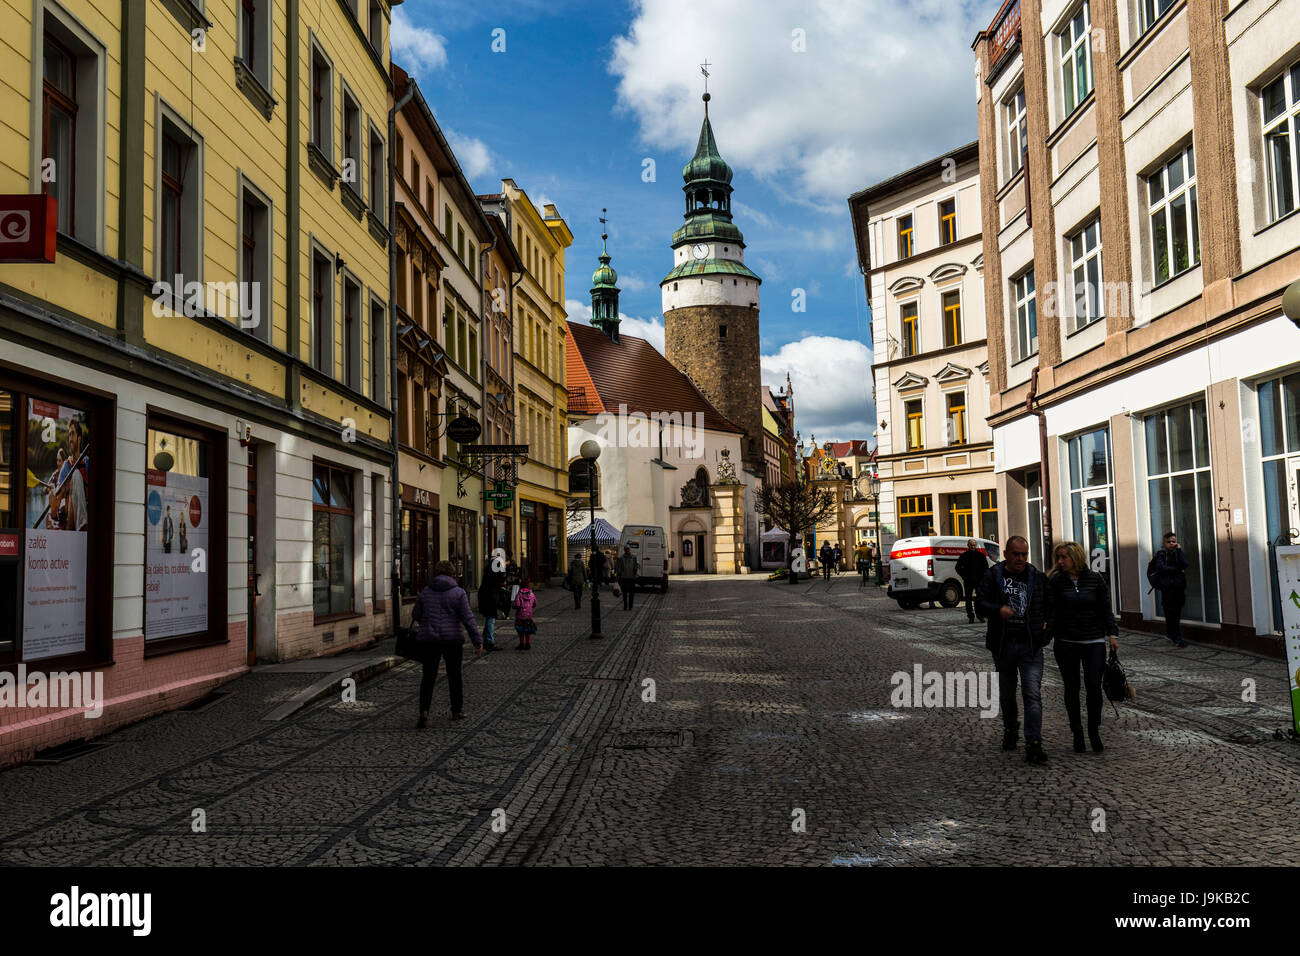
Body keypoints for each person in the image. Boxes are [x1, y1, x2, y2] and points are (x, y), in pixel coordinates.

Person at [977, 534, 1051, 764]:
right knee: (1008, 694)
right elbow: (979, 604)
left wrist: (1045, 633)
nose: (1020, 559)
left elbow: (1051, 606)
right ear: (1006, 554)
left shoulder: (1036, 578)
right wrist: (998, 609)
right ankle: (1011, 729)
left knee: (1032, 694)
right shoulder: (993, 575)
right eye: (1016, 554)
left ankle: (1033, 743)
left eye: (1024, 554)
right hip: (1003, 645)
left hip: (1030, 645)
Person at [1048, 541, 1119, 753]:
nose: (1060, 562)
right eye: (1058, 558)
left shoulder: (1095, 579)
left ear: (1075, 558)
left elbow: (1105, 608)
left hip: (1094, 641)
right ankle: (1077, 732)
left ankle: (1093, 729)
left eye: (1064, 557)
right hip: (1066, 642)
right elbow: (1049, 611)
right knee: (1071, 688)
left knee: (1093, 687)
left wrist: (1112, 633)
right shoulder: (1055, 582)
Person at [409, 560, 483, 727]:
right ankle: (456, 711)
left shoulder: (426, 592)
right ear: (451, 574)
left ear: (435, 573)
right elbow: (468, 619)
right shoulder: (458, 592)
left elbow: (416, 614)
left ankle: (424, 711)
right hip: (452, 640)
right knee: (454, 675)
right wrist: (477, 640)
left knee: (428, 677)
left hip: (429, 640)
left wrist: (427, 622)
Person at [1148, 532, 1189, 648]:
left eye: (1173, 541)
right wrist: (1177, 569)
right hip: (1167, 588)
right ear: (1164, 543)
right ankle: (1177, 638)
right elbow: (1161, 568)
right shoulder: (1161, 554)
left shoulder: (1178, 553)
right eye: (1169, 542)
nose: (1171, 543)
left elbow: (1185, 564)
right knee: (1171, 613)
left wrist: (1179, 550)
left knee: (1176, 613)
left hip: (1179, 588)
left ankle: (1170, 633)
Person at [955, 539, 989, 624]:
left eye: (974, 545)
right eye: (971, 545)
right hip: (968, 581)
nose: (973, 547)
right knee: (968, 599)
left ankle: (980, 615)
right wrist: (964, 576)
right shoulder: (964, 556)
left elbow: (986, 568)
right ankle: (971, 616)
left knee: (979, 599)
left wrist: (983, 578)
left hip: (978, 581)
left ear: (976, 545)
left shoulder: (981, 556)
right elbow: (957, 567)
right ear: (968, 545)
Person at [478, 555, 505, 651]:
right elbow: (498, 583)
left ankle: (486, 639)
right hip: (490, 598)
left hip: (485, 597)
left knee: (489, 619)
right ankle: (489, 641)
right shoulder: (494, 572)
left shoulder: (488, 570)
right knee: (490, 619)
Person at [514, 578, 538, 650]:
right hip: (528, 615)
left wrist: (514, 606)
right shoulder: (531, 593)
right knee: (528, 630)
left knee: (521, 630)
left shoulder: (519, 594)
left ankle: (521, 644)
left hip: (520, 615)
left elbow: (517, 604)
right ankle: (528, 644)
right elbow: (535, 603)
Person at [617, 545, 639, 610]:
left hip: (631, 578)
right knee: (624, 593)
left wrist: (636, 574)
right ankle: (625, 605)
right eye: (626, 549)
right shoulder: (621, 558)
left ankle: (630, 606)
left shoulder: (634, 557)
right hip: (624, 578)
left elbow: (636, 566)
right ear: (624, 550)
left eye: (628, 549)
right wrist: (618, 576)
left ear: (630, 550)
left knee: (631, 593)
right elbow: (619, 568)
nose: (627, 550)